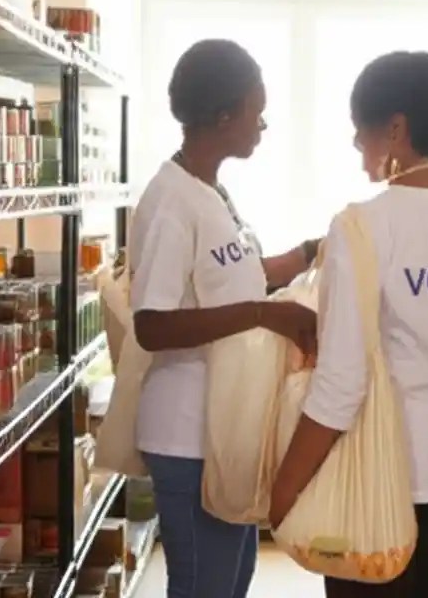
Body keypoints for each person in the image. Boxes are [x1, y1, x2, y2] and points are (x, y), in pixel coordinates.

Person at [269, 51, 428, 598]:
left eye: (361, 135)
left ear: (396, 130)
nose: (358, 151)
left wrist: (284, 489)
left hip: (388, 477)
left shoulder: (361, 226)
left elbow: (340, 383)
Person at [128, 38, 321, 598]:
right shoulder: (170, 202)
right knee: (202, 586)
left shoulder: (210, 192)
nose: (262, 126)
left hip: (222, 427)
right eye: (256, 114)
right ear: (223, 116)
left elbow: (241, 275)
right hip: (184, 431)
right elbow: (153, 324)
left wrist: (313, 250)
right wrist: (265, 314)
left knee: (234, 579)